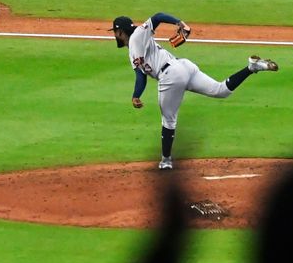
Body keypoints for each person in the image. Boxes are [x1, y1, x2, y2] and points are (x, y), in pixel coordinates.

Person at [108, 13, 278, 171]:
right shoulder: (133, 50)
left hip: (170, 75)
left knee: (168, 120)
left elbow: (158, 16)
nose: (114, 36)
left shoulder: (138, 34)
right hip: (184, 67)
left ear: (121, 32)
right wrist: (136, 95)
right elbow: (141, 76)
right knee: (221, 90)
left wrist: (179, 23)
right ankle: (251, 67)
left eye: (115, 32)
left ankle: (166, 161)